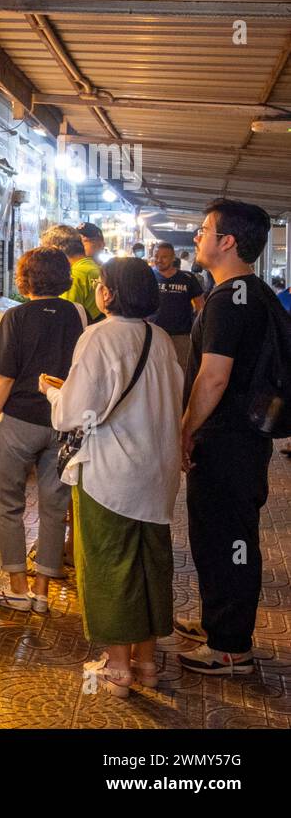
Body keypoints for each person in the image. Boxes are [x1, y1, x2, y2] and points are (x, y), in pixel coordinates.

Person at [41, 258, 183, 696]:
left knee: (110, 565)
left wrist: (52, 391)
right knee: (150, 566)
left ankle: (118, 668)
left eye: (102, 285)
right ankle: (147, 663)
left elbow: (73, 414)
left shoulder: (99, 337)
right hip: (157, 474)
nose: (99, 291)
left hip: (112, 475)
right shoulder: (159, 339)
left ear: (109, 293)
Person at [178, 198, 275, 675]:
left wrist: (185, 429)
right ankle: (219, 626)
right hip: (241, 441)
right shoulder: (248, 293)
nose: (198, 237)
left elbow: (213, 377)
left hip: (227, 442)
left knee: (228, 538)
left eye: (204, 230)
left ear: (227, 242)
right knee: (222, 537)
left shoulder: (230, 298)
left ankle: (232, 646)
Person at [0, 247, 83, 613]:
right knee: (56, 506)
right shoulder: (76, 315)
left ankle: (17, 587)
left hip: (20, 420)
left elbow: (4, 377)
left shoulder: (16, 316)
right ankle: (41, 592)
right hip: (61, 419)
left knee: (7, 501)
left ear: (25, 279)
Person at [149, 242, 205, 369]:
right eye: (156, 256)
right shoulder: (148, 277)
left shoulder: (187, 278)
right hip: (154, 335)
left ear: (173, 258)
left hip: (181, 336)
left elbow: (201, 306)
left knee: (181, 371)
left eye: (164, 257)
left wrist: (199, 331)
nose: (159, 260)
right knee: (155, 372)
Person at [40, 224, 100, 324]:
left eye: (46, 251)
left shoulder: (73, 276)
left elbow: (63, 317)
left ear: (55, 249)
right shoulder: (97, 269)